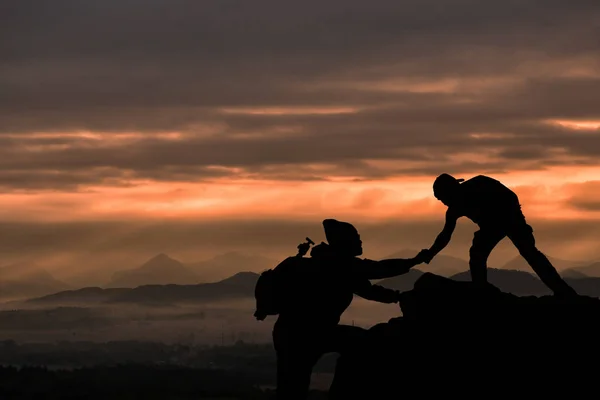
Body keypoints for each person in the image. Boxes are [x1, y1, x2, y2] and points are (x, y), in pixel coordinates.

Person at [272, 219, 428, 399]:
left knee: (290, 389)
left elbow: (368, 289)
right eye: (356, 238)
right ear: (344, 242)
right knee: (363, 345)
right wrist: (414, 261)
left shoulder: (332, 263)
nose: (360, 241)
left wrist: (398, 296)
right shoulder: (340, 265)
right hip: (305, 334)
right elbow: (378, 269)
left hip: (293, 333)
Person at [420, 173, 577, 296]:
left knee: (529, 253)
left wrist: (510, 219)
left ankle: (563, 291)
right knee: (478, 254)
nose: (444, 203)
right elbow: (445, 235)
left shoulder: (479, 184)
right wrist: (431, 253)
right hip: (496, 223)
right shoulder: (454, 208)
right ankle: (480, 288)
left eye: (443, 198)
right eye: (441, 200)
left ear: (452, 191)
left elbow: (511, 197)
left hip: (509, 216)